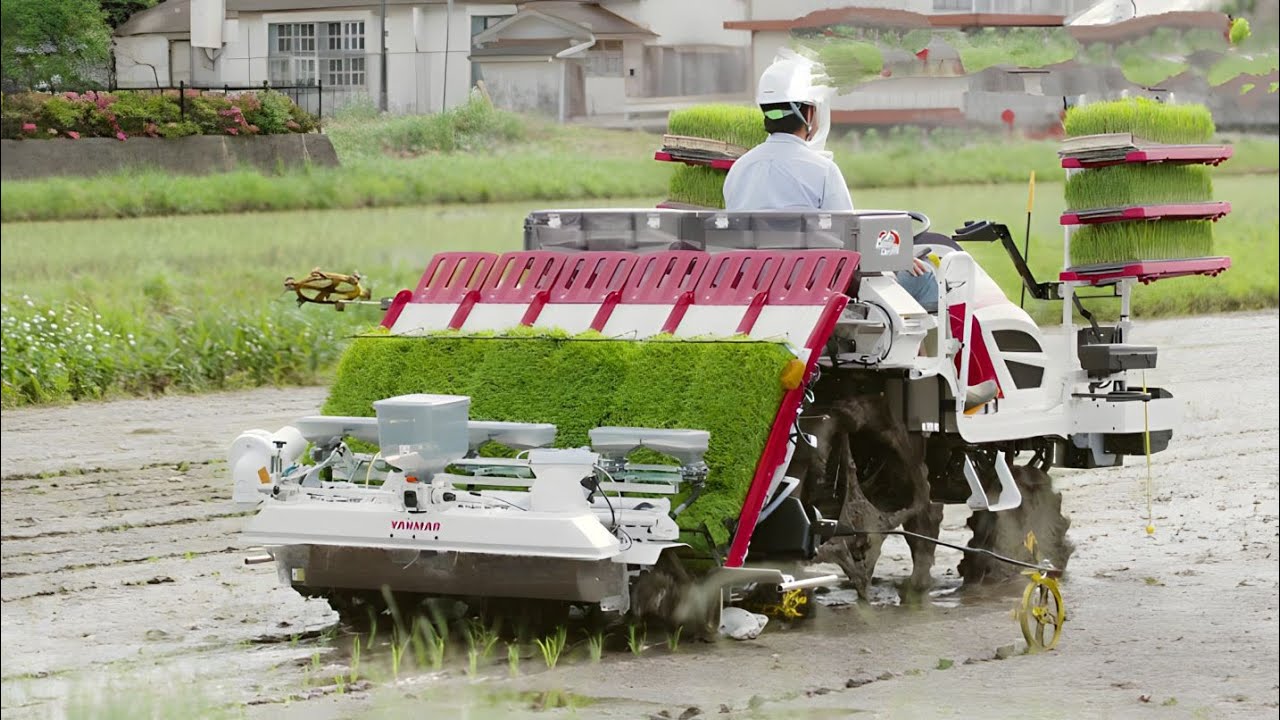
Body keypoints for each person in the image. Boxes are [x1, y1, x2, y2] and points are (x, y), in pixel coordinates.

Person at [722, 54, 938, 312]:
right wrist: (897, 256)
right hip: (816, 290)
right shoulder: (822, 170)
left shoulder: (739, 169)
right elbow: (850, 243)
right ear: (810, 112)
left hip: (757, 289)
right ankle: (926, 352)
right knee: (923, 278)